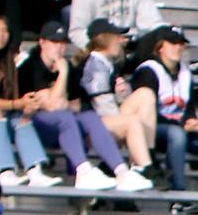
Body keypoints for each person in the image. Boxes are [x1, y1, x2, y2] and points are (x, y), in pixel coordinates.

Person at [17, 19, 145, 190]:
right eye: (54, 42)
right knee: (65, 116)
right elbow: (53, 106)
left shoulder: (67, 64)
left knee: (90, 117)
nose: (59, 47)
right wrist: (62, 73)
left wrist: (62, 101)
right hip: (32, 126)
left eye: (63, 43)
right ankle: (83, 171)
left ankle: (121, 172)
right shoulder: (32, 65)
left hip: (61, 124)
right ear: (42, 42)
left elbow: (77, 104)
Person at [134, 26, 198, 199]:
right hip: (153, 133)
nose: (178, 47)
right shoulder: (148, 71)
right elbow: (146, 112)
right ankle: (178, 196)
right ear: (160, 46)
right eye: (173, 43)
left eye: (181, 44)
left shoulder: (185, 72)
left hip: (181, 130)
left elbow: (188, 108)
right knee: (177, 134)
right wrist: (183, 124)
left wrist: (192, 121)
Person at [0, 13, 56, 188]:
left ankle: (35, 171)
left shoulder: (7, 61)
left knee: (21, 119)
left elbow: (12, 100)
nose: (1, 35)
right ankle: (5, 172)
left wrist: (27, 107)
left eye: (5, 31)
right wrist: (18, 104)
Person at [80, 17, 156, 180]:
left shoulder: (107, 63)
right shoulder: (95, 65)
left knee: (145, 95)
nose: (122, 41)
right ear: (105, 39)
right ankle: (145, 166)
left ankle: (145, 156)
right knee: (132, 121)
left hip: (104, 116)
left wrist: (120, 94)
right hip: (92, 123)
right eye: (117, 37)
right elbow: (102, 104)